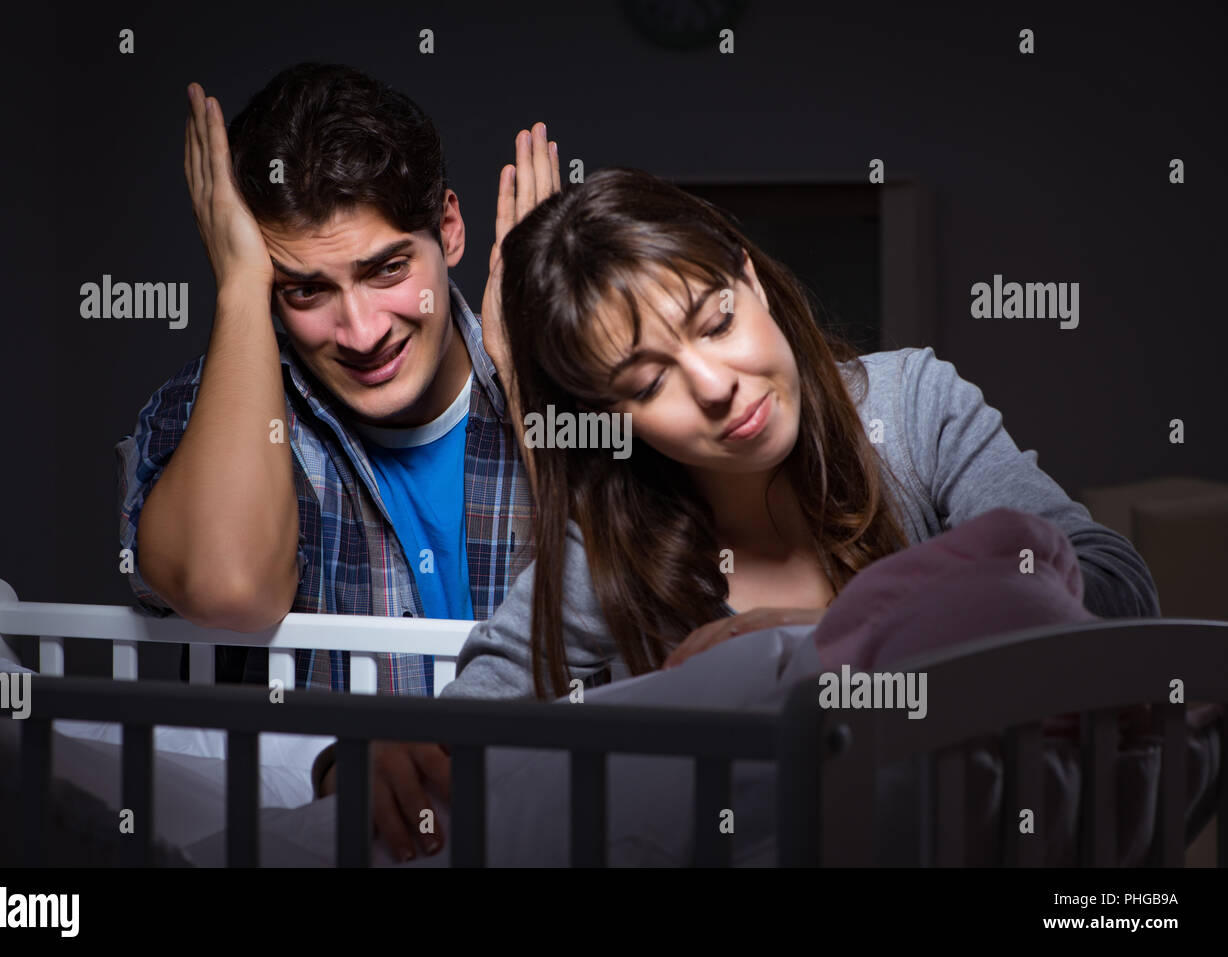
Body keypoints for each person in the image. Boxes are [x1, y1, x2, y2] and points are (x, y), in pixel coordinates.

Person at [316, 165, 1161, 859]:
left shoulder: (912, 410)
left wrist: (832, 631)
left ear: (750, 277)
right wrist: (371, 751)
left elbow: (1115, 589)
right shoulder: (612, 539)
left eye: (716, 320)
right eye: (648, 383)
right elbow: (478, 698)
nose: (716, 386)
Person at [115, 63, 561, 854]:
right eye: (306, 289)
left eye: (388, 270)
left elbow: (645, 583)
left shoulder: (567, 383)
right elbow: (230, 586)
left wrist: (539, 374)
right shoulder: (217, 404)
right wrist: (240, 289)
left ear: (450, 231)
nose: (361, 331)